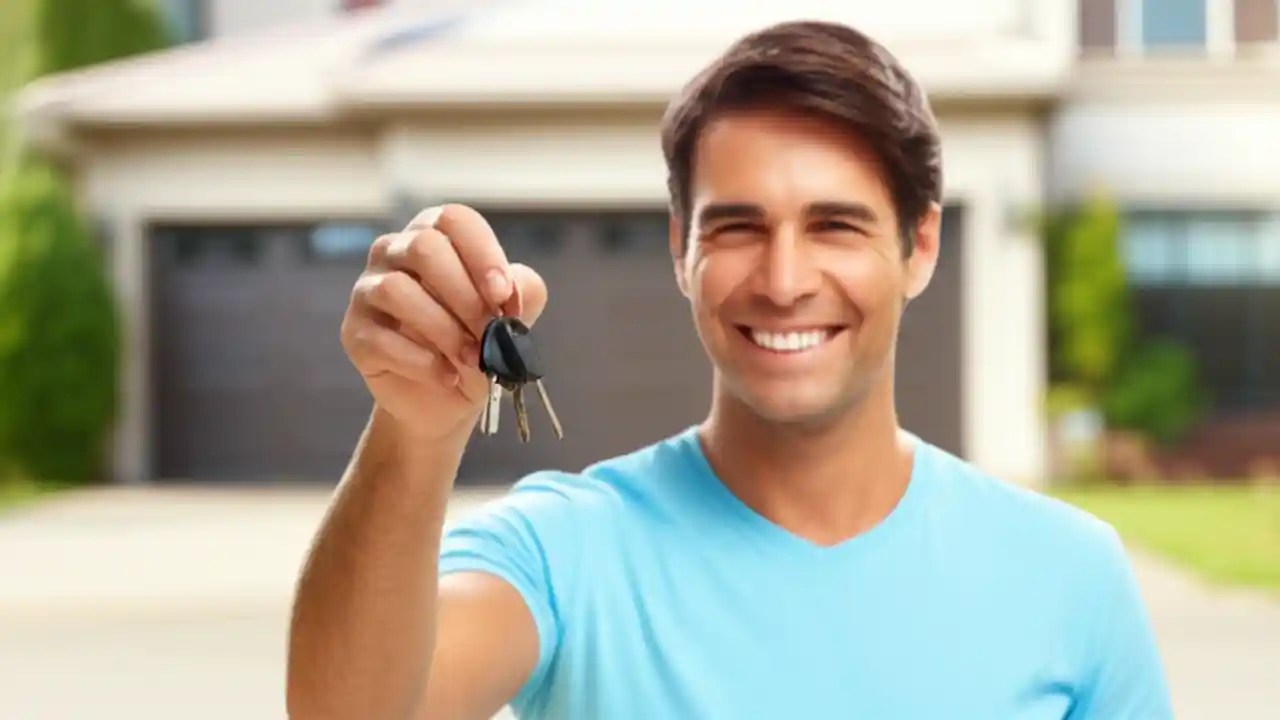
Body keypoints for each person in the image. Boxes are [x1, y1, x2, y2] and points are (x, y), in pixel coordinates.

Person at [285, 19, 1173, 720]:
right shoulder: (564, 552)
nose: (785, 282)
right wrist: (414, 431)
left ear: (922, 246)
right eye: (739, 227)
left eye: (835, 225)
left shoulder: (1070, 575)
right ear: (683, 250)